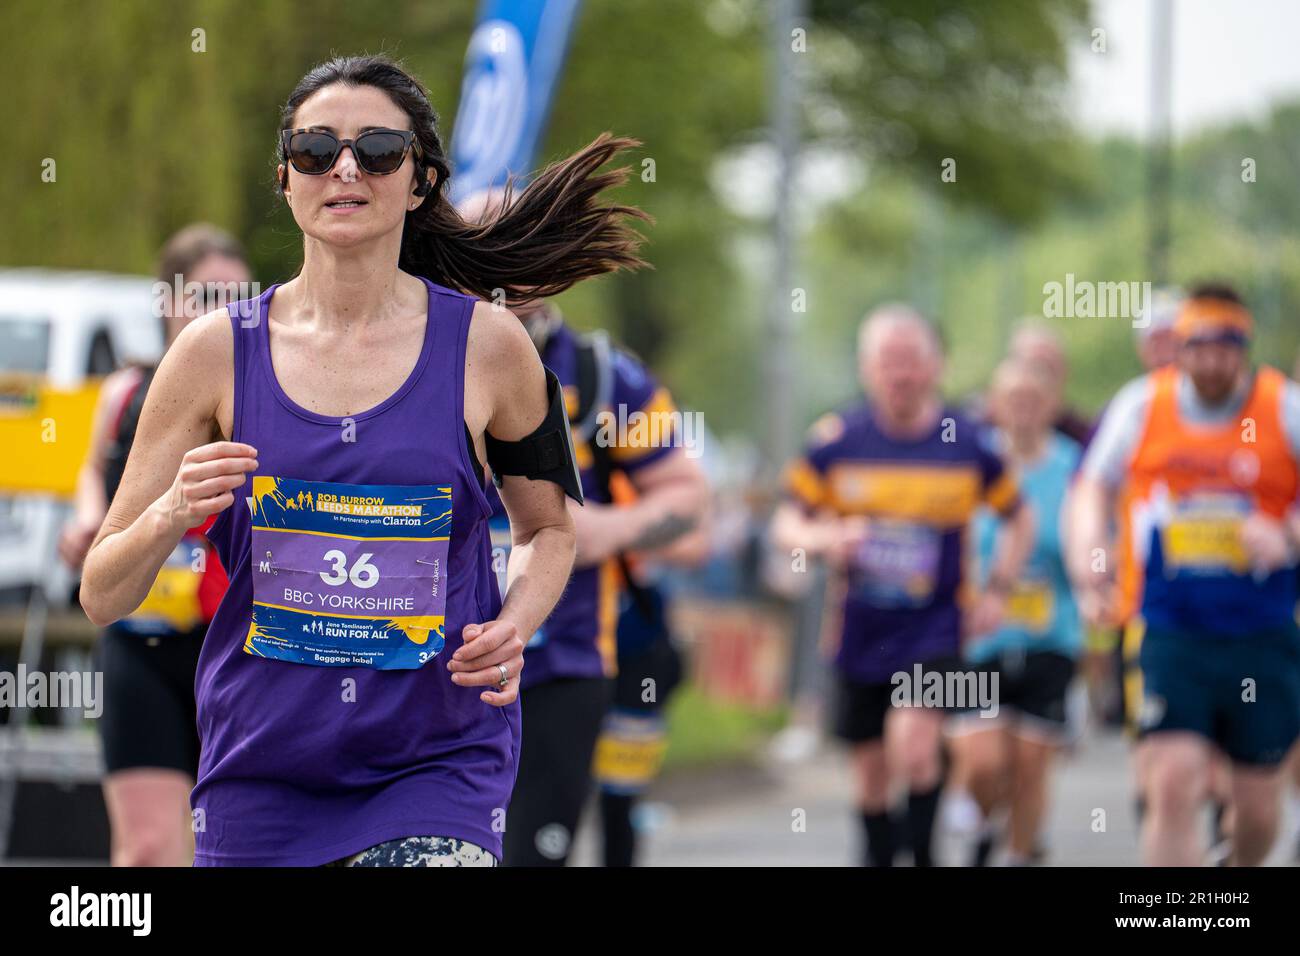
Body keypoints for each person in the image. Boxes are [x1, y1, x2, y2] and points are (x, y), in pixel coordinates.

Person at [78, 54, 649, 867]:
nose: (345, 167)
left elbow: (549, 529)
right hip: (262, 768)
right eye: (316, 149)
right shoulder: (212, 354)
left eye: (378, 149)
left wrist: (514, 625)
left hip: (435, 762)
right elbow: (101, 592)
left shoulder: (490, 348)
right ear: (286, 178)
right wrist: (171, 511)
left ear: (418, 182)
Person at [771, 304, 1034, 867]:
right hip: (859, 632)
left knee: (915, 745)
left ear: (936, 366)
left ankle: (923, 853)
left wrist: (998, 590)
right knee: (869, 776)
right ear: (867, 369)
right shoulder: (837, 440)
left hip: (935, 629)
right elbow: (786, 522)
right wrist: (827, 539)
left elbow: (1020, 517)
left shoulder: (966, 442)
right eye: (889, 361)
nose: (901, 374)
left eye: (913, 361)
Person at [468, 277, 708, 868]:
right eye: (476, 252)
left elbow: (688, 496)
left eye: (519, 249)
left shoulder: (603, 375)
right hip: (418, 662)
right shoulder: (404, 353)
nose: (498, 272)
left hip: (561, 661)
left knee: (533, 855)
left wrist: (610, 529)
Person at [1070, 283, 1300, 866]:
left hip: (1264, 633)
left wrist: (1287, 533)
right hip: (1170, 629)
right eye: (1199, 346)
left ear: (1244, 349)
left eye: (1227, 347)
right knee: (1171, 782)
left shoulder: (1282, 407)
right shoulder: (1144, 405)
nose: (1213, 361)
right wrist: (1090, 553)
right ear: (1181, 347)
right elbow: (1091, 487)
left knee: (1256, 805)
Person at [58, 224, 248, 866]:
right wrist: (86, 523)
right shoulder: (126, 393)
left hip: (239, 649)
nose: (220, 308)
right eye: (205, 294)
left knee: (230, 848)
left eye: (235, 294)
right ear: (168, 302)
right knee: (146, 852)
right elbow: (94, 472)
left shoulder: (261, 392)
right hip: (142, 641)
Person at [945, 357, 1083, 866]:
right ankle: (981, 823)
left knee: (1029, 767)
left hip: (1052, 635)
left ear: (1052, 405)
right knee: (983, 764)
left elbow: (1091, 543)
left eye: (1034, 399)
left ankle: (1020, 854)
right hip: (979, 639)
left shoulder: (1075, 469)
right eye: (1013, 400)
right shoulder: (971, 463)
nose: (1023, 410)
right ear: (996, 406)